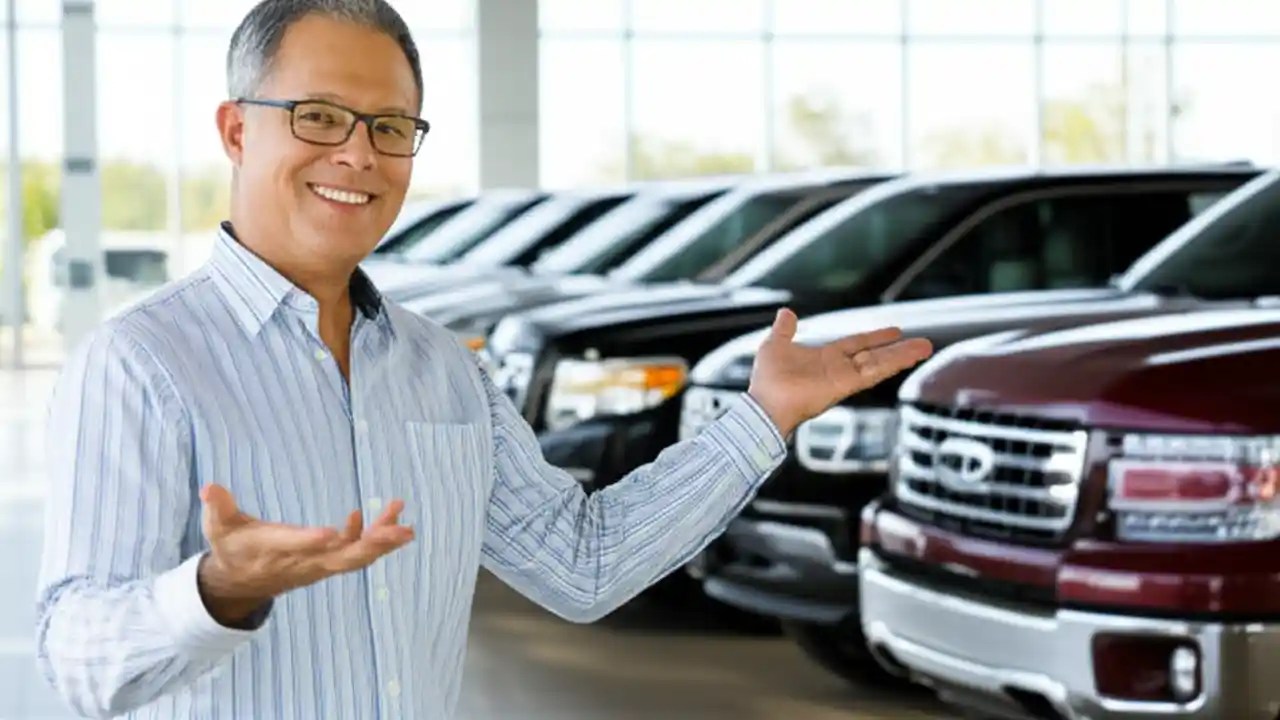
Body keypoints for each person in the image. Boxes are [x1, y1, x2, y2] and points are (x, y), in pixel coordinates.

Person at [34, 1, 933, 718]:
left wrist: (760, 417)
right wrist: (215, 590)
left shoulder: (441, 369)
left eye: (391, 126)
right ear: (237, 131)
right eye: (317, 117)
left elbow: (581, 565)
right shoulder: (143, 363)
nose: (358, 152)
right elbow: (78, 660)